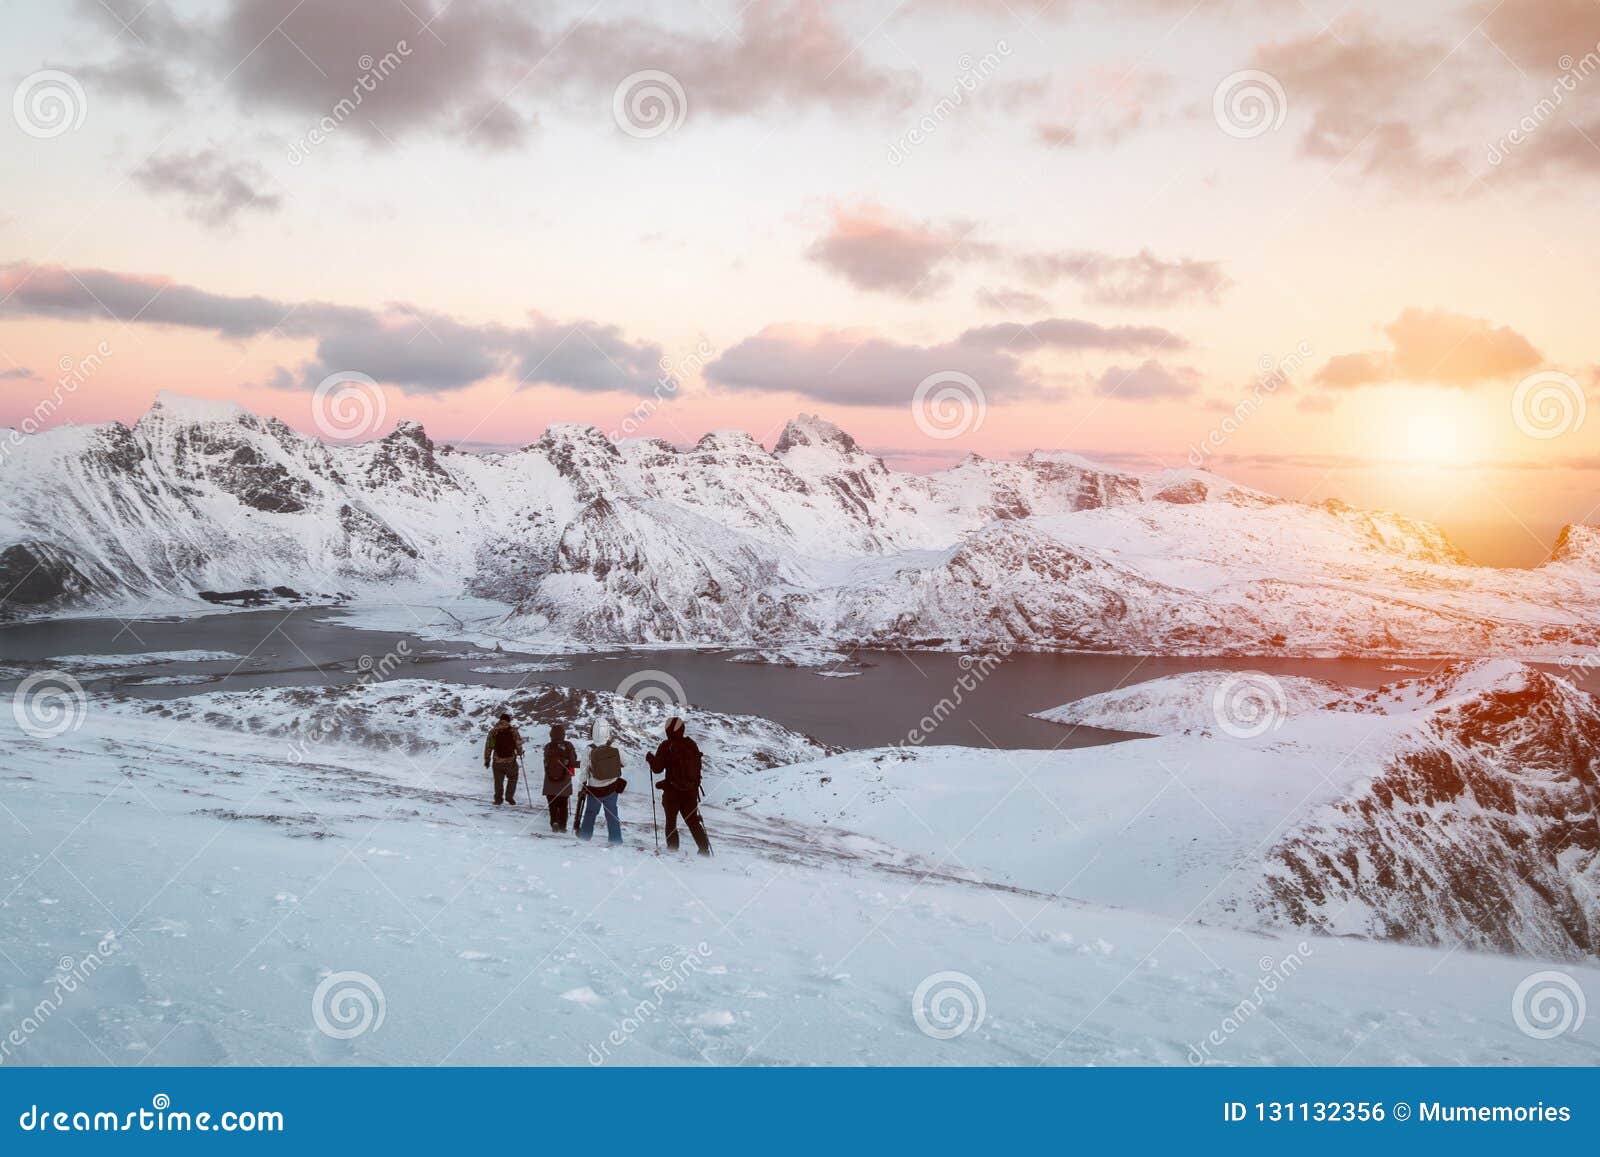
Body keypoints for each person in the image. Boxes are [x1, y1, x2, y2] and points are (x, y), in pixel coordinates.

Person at [647, 716, 711, 856]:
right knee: (693, 821)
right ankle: (704, 850)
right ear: (682, 729)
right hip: (690, 792)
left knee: (671, 821)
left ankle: (673, 850)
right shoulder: (691, 744)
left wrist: (650, 759)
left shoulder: (666, 745)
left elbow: (657, 769)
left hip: (672, 792)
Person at [575, 720, 625, 845]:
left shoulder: (589, 749)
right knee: (612, 814)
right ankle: (616, 839)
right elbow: (625, 762)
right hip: (612, 787)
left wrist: (581, 787)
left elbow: (584, 771)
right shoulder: (614, 746)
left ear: (593, 731)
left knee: (590, 813)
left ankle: (584, 837)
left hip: (595, 789)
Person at [542, 723, 579, 832]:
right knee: (563, 804)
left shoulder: (548, 746)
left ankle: (554, 822)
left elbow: (546, 762)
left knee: (552, 804)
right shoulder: (568, 745)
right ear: (563, 734)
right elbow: (572, 761)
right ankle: (563, 826)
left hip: (549, 780)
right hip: (564, 780)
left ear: (551, 734)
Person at [483, 712, 523, 806]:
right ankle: (509, 797)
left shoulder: (493, 732)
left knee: (498, 781)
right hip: (510, 761)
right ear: (508, 720)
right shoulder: (513, 731)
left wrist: (487, 759)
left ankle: (498, 799)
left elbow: (489, 746)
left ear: (500, 720)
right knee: (513, 778)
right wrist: (520, 753)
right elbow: (518, 744)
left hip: (497, 761)